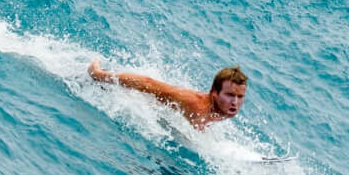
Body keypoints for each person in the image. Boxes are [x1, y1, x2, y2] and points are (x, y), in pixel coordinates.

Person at [87, 59, 247, 129]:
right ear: (214, 93)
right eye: (229, 95)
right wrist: (99, 75)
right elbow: (148, 82)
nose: (235, 102)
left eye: (240, 97)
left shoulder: (226, 110)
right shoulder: (193, 102)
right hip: (134, 99)